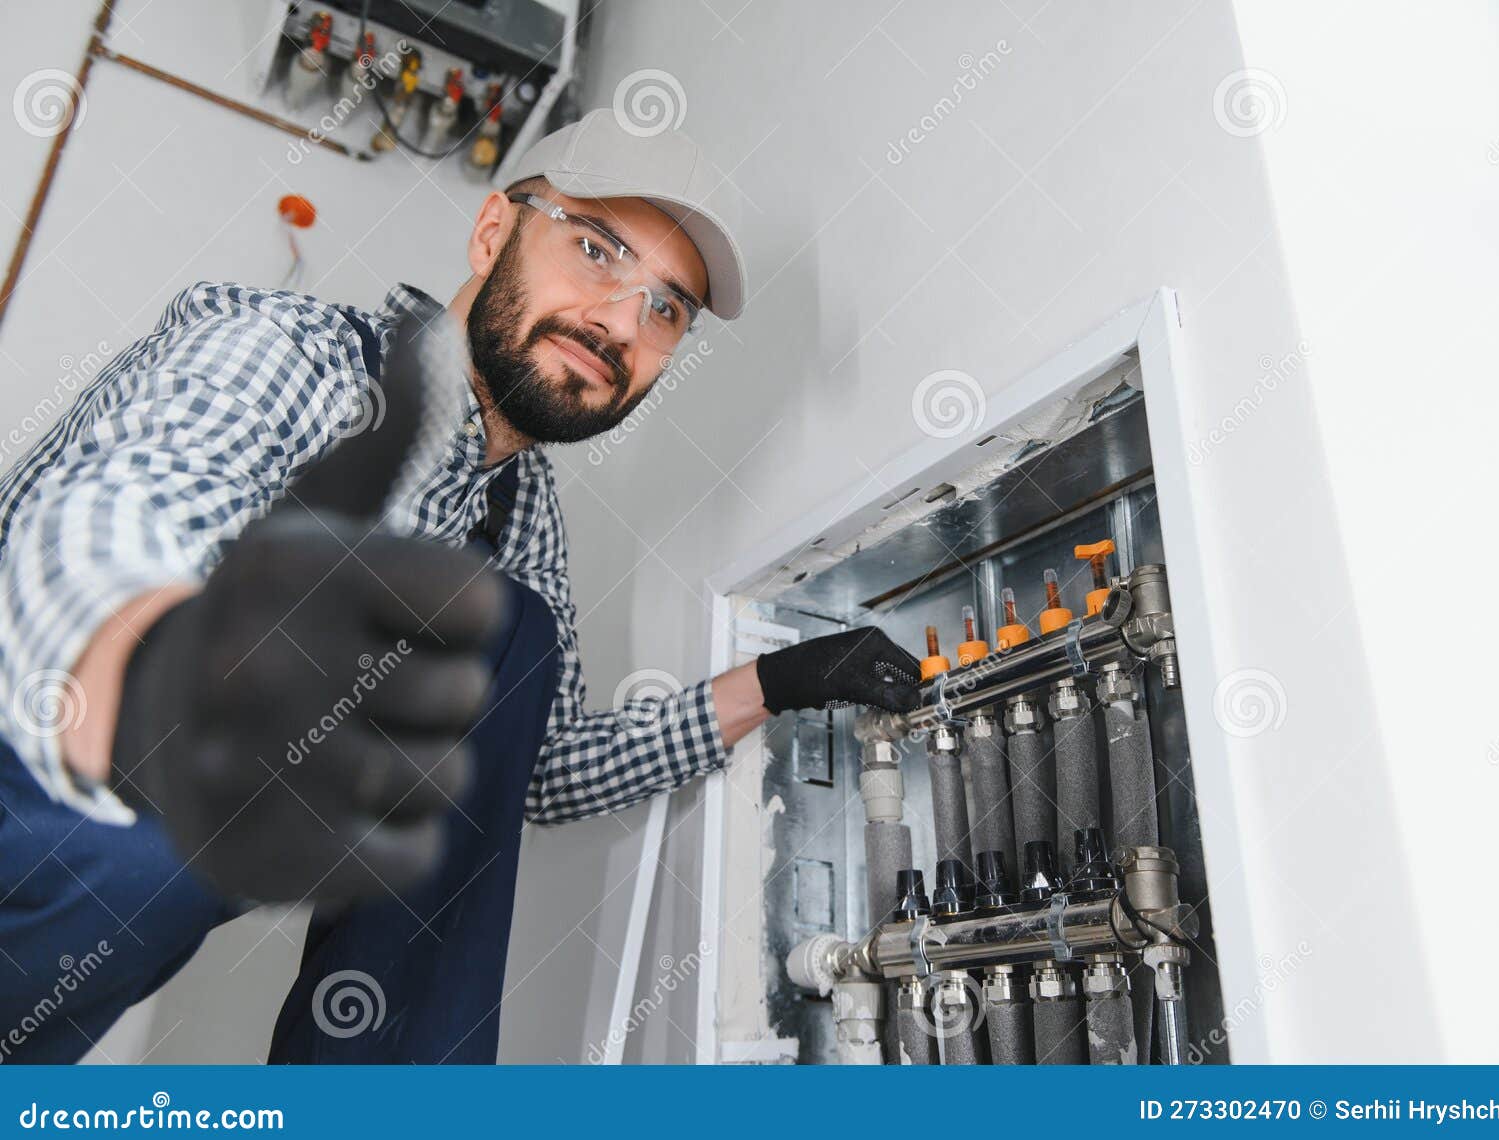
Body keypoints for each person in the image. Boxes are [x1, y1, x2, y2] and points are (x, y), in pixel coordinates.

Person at [0, 109, 919, 1063]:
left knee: (505, 631)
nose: (619, 323)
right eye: (596, 249)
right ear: (492, 235)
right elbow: (112, 523)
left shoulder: (520, 517)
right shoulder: (292, 354)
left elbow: (538, 767)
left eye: (665, 308)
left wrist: (781, 680)